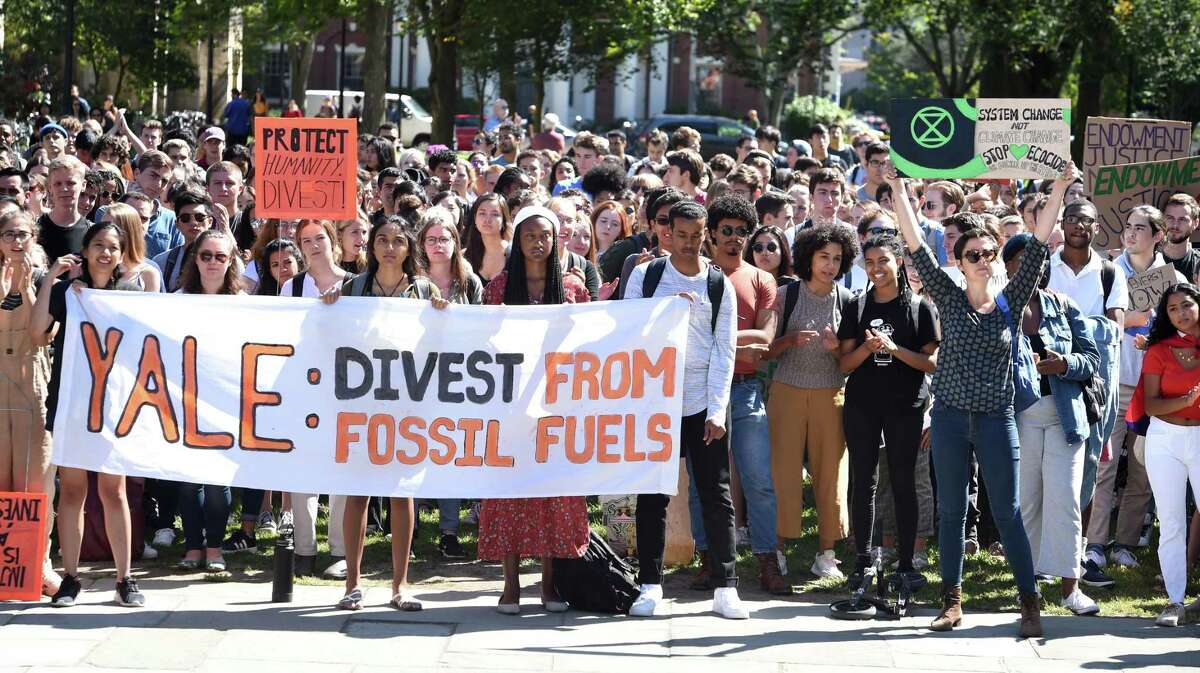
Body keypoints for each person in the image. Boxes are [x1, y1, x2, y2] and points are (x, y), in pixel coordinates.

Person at [885, 160, 1076, 638]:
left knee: (1008, 512)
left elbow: (1039, 240)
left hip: (996, 420)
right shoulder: (947, 297)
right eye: (974, 254)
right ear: (960, 259)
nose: (984, 259)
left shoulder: (1012, 300)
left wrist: (1060, 187)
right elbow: (912, 240)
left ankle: (1028, 604)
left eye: (989, 252)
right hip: (949, 418)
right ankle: (951, 601)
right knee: (951, 511)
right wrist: (896, 186)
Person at [625, 200, 748, 619]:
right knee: (653, 496)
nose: (690, 243)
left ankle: (726, 586)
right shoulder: (647, 275)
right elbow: (626, 334)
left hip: (702, 403)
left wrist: (717, 410)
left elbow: (724, 350)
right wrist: (662, 313)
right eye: (682, 235)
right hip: (655, 403)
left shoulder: (719, 284)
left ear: (707, 234)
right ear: (666, 233)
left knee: (716, 494)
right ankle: (650, 584)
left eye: (698, 236)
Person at [324, 215, 447, 611]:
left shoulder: (424, 290)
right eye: (382, 239)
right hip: (362, 404)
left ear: (409, 247)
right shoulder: (353, 288)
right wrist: (330, 307)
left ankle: (400, 585)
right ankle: (352, 585)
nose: (389, 247)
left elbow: (441, 342)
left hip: (408, 405)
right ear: (371, 246)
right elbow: (330, 334)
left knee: (401, 494)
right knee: (358, 493)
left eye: (397, 240)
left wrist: (442, 312)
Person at [478, 207, 590, 615]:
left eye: (545, 236)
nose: (538, 243)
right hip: (510, 406)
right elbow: (481, 342)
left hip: (558, 406)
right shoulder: (499, 287)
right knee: (511, 493)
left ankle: (548, 585)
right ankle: (510, 586)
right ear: (517, 241)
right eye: (530, 236)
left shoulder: (574, 289)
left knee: (553, 494)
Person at [34, 221, 145, 607]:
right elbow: (36, 332)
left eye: (113, 246)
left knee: (113, 491)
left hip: (113, 406)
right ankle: (71, 578)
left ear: (121, 252)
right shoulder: (67, 292)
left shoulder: (130, 293)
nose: (105, 252)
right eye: (98, 244)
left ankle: (124, 579)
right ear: (86, 248)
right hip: (70, 402)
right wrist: (52, 278)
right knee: (74, 492)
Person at [684, 195, 789, 593]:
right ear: (710, 234)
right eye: (726, 231)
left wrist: (710, 339)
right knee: (701, 481)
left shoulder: (762, 280)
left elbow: (764, 339)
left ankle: (767, 560)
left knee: (759, 478)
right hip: (699, 390)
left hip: (744, 390)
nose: (734, 239)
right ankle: (708, 558)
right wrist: (730, 343)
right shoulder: (696, 276)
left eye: (742, 232)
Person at [1003, 233, 1102, 616]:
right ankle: (1026, 587)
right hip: (1018, 417)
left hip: (1065, 416)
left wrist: (1066, 364)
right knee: (1025, 501)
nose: (1033, 266)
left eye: (1039, 260)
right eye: (1023, 259)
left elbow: (1091, 358)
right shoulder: (997, 307)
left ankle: (1070, 588)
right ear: (1008, 264)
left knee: (1064, 500)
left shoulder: (1064, 305)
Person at [1088, 206, 1186, 580]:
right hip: (1112, 380)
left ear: (1158, 235)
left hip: (1152, 387)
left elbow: (1182, 326)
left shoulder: (1171, 277)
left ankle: (1125, 543)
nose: (1130, 234)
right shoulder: (1108, 269)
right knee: (1104, 465)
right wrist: (1131, 320)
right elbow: (1095, 317)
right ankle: (1095, 544)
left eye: (1139, 228)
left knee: (1145, 468)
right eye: (1127, 226)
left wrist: (1156, 338)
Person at [837, 233, 939, 583]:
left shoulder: (919, 307)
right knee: (863, 481)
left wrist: (894, 349)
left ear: (899, 261)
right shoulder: (857, 306)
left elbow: (931, 363)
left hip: (905, 406)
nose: (876, 269)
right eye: (869, 262)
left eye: (883, 260)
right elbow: (843, 364)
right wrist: (867, 349)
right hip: (862, 404)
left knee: (902, 481)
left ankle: (907, 562)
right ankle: (863, 560)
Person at [1045, 197, 1127, 588]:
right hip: (1048, 380)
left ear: (1097, 227)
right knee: (1045, 467)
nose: (1080, 225)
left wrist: (1073, 336)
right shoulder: (1046, 267)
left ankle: (1076, 554)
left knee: (1088, 467)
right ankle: (1045, 553)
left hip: (1091, 384)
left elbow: (1114, 332)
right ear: (1063, 223)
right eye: (1074, 218)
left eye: (1088, 220)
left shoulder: (1111, 272)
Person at [766, 224, 857, 578]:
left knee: (832, 474)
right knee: (782, 472)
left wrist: (837, 351)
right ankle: (776, 549)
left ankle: (827, 554)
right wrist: (789, 341)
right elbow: (766, 349)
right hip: (786, 391)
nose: (830, 265)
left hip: (832, 394)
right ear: (808, 257)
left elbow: (850, 360)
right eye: (824, 257)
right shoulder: (787, 294)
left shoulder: (848, 301)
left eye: (837, 258)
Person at [279, 220, 354, 578]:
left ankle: (340, 549)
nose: (313, 245)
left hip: (345, 387)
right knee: (302, 467)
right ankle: (304, 550)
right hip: (303, 384)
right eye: (305, 240)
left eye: (319, 238)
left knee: (341, 467)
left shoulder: (356, 284)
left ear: (332, 240)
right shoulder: (290, 287)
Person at [174, 229, 243, 573]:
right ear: (195, 259)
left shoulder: (246, 304)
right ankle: (192, 546)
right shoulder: (175, 301)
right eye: (206, 255)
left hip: (227, 403)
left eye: (221, 256)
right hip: (184, 401)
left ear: (231, 262)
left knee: (218, 483)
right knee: (188, 482)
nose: (213, 262)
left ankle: (214, 547)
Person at [1132, 283, 1200, 626]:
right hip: (1165, 439)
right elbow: (1151, 404)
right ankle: (1175, 601)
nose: (1181, 313)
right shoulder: (1159, 349)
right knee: (1172, 521)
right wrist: (1185, 401)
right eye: (1172, 309)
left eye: (1186, 305)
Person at [0, 211, 59, 595]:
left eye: (22, 234)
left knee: (35, 477)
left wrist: (31, 281)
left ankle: (37, 563)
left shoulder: (41, 277)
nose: (16, 241)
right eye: (8, 235)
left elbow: (42, 333)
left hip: (31, 381)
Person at [152, 190, 214, 292]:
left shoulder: (224, 259)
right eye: (185, 218)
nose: (194, 222)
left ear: (210, 221)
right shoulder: (161, 262)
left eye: (200, 217)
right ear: (177, 223)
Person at [38, 156, 91, 263]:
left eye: (70, 183)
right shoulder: (35, 228)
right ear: (49, 187)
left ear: (83, 185)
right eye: (58, 184)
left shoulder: (91, 232)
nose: (64, 189)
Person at [102, 203, 162, 292]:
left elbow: (150, 305)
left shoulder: (148, 274)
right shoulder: (94, 266)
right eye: (101, 227)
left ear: (129, 232)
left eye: (111, 228)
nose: (103, 234)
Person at [462, 193, 511, 283]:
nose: (487, 220)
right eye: (482, 213)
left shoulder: (514, 254)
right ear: (475, 218)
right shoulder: (464, 257)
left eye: (495, 214)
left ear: (503, 220)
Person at [1162, 194, 1200, 283]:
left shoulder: (1198, 265)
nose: (1175, 225)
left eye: (1182, 219)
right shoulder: (1147, 259)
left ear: (1195, 223)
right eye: (1170, 218)